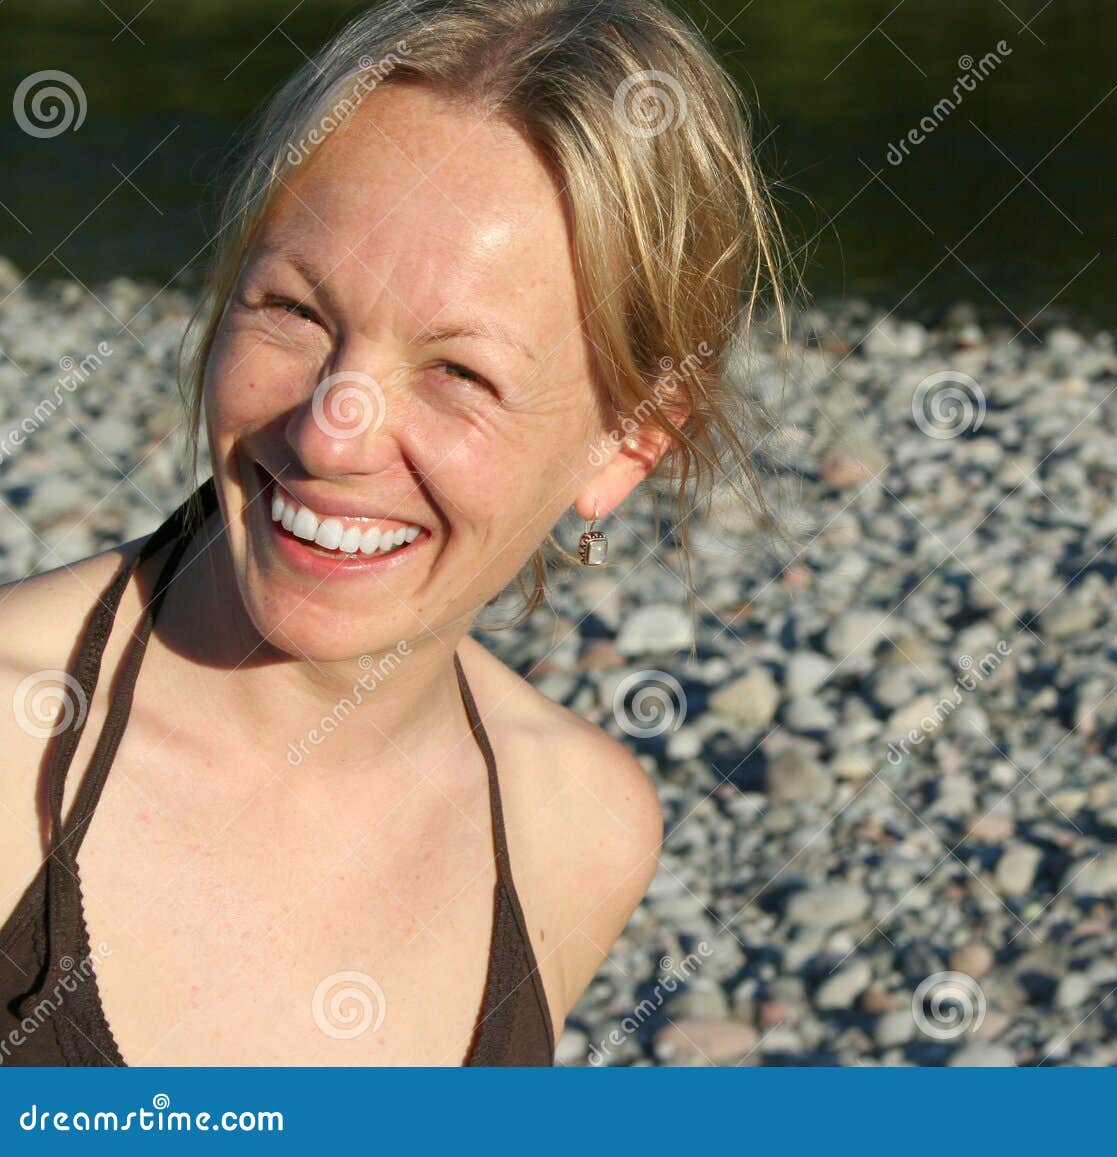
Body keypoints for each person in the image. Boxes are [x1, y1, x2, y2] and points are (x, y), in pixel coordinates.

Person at [0, 0, 785, 1066]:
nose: (332, 430)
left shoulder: (578, 829)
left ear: (626, 445)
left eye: (461, 371)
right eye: (295, 310)